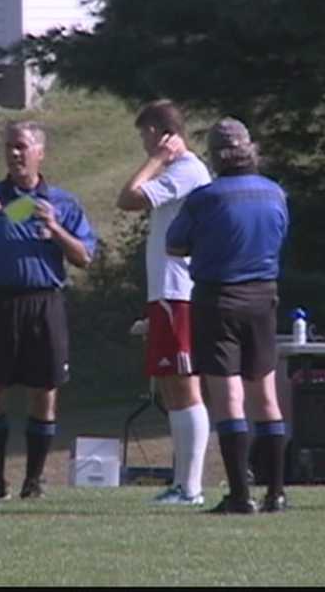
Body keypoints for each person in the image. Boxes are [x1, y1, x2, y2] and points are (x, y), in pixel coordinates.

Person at [0, 121, 97, 500]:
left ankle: (34, 479)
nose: (14, 154)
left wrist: (56, 230)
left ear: (40, 152)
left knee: (44, 391)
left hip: (43, 303)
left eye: (21, 146)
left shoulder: (63, 204)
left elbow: (85, 256)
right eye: (9, 147)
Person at [166, 117, 290, 514]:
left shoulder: (206, 197)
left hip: (218, 298)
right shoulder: (275, 193)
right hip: (264, 297)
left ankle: (240, 495)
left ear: (216, 155)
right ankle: (277, 492)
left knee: (228, 397)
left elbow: (175, 245)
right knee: (266, 396)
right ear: (249, 148)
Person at [116, 100, 213, 507]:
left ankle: (191, 487)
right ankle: (181, 484)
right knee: (172, 390)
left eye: (145, 136)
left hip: (180, 292)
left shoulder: (186, 170)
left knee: (185, 386)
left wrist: (155, 160)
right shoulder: (180, 172)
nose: (143, 144)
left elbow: (128, 198)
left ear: (159, 133)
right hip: (165, 293)